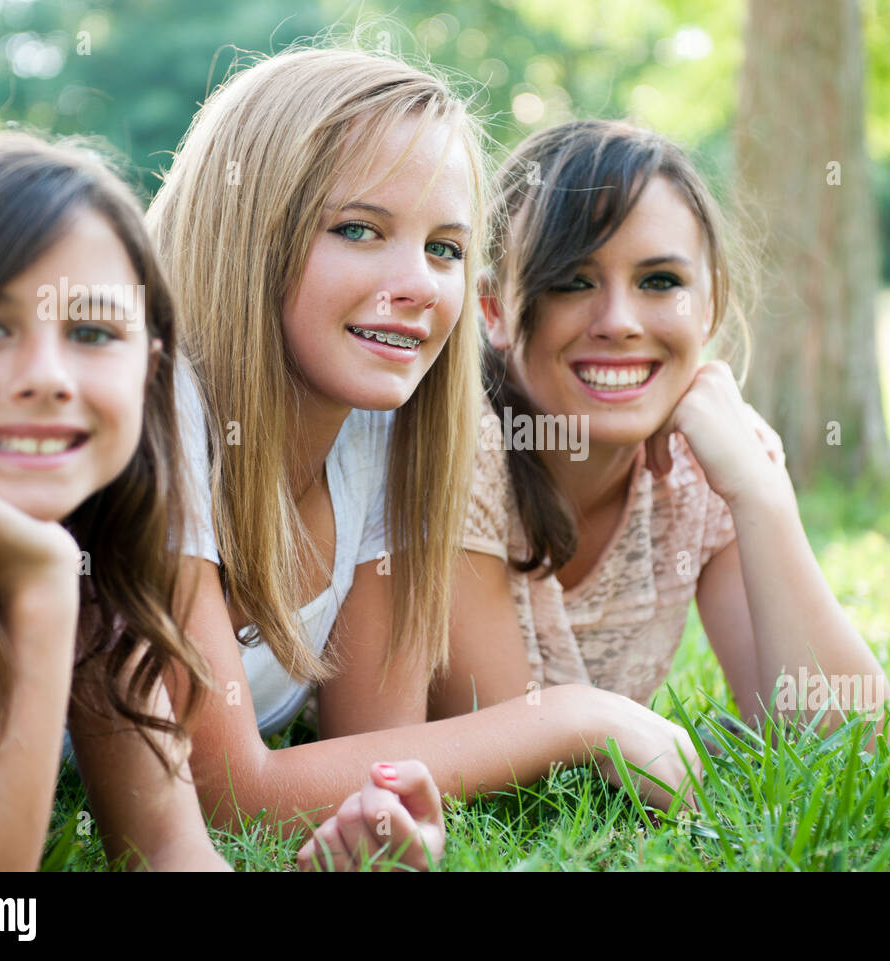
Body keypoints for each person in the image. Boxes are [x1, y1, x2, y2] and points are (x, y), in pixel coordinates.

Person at [148, 48, 702, 871]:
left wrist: (381, 822)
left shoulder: (387, 429)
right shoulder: (157, 410)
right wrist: (577, 718)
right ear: (245, 231)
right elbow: (225, 790)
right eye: (359, 230)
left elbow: (381, 755)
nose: (419, 284)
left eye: (445, 248)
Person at [434, 120, 890, 749]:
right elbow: (506, 766)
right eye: (572, 281)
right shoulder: (461, 449)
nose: (619, 322)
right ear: (494, 309)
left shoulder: (703, 467)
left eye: (660, 282)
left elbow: (853, 743)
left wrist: (760, 492)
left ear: (708, 306)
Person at [0, 131, 229, 870]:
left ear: (149, 369)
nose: (47, 377)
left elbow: (172, 853)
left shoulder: (86, 559)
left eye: (93, 332)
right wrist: (40, 587)